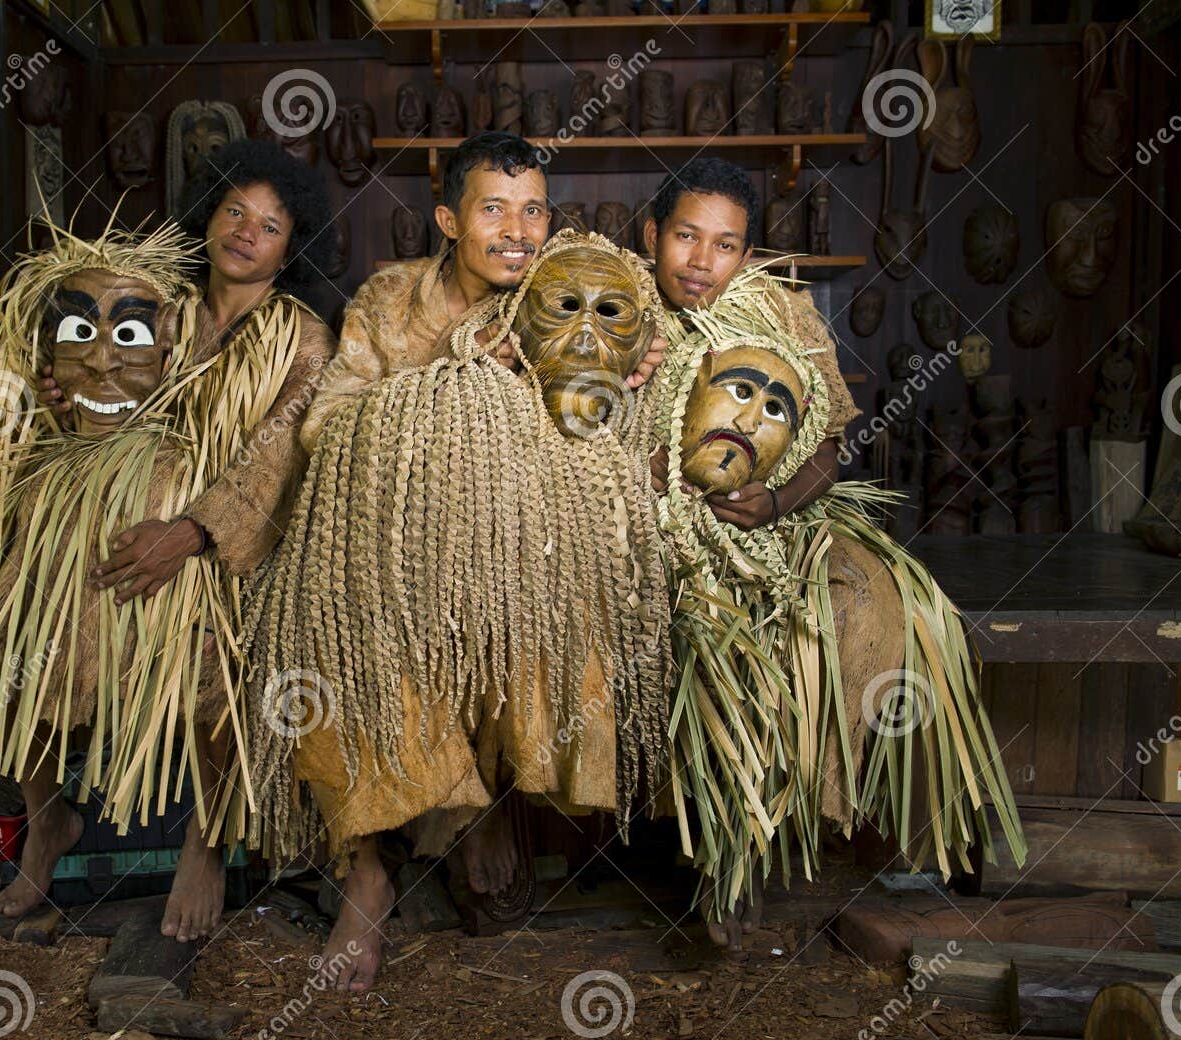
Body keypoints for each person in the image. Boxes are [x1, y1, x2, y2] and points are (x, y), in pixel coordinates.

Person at [289, 132, 664, 993]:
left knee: (544, 621)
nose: (516, 230)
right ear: (450, 218)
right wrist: (454, 378)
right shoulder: (389, 300)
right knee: (349, 639)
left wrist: (636, 353)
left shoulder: (558, 296)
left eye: (533, 209)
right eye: (494, 208)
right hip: (386, 549)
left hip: (519, 558)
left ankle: (489, 802)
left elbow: (617, 369)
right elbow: (325, 423)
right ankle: (370, 870)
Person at [641, 159, 994, 952]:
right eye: (686, 236)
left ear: (748, 252)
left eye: (725, 244)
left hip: (785, 516)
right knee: (710, 635)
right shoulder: (625, 308)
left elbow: (831, 446)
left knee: (858, 608)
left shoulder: (785, 314)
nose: (701, 260)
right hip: (656, 524)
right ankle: (715, 851)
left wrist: (774, 502)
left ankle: (800, 836)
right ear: (652, 235)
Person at [13, 139, 339, 941]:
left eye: (268, 225)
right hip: (113, 511)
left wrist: (193, 531)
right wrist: (62, 395)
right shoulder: (155, 300)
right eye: (235, 212)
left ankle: (205, 841)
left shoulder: (302, 340)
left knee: (215, 664)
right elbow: (91, 382)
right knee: (27, 625)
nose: (246, 233)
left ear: (289, 247)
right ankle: (45, 816)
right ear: (211, 214)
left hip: (222, 549)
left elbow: (280, 459)